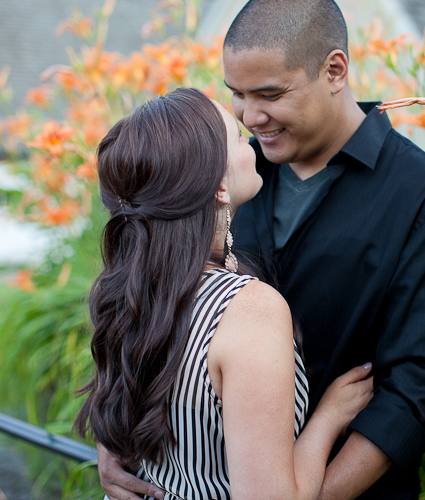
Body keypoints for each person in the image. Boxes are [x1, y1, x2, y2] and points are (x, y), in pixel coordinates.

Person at [98, 0, 425, 500]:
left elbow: (413, 392)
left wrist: (307, 494)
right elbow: (150, 296)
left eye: (270, 95)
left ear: (335, 71)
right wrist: (117, 438)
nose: (250, 117)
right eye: (237, 94)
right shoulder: (228, 172)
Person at [76, 87, 375, 500]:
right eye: (237, 137)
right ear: (218, 186)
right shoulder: (249, 311)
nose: (251, 140)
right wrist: (329, 418)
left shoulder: (131, 291)